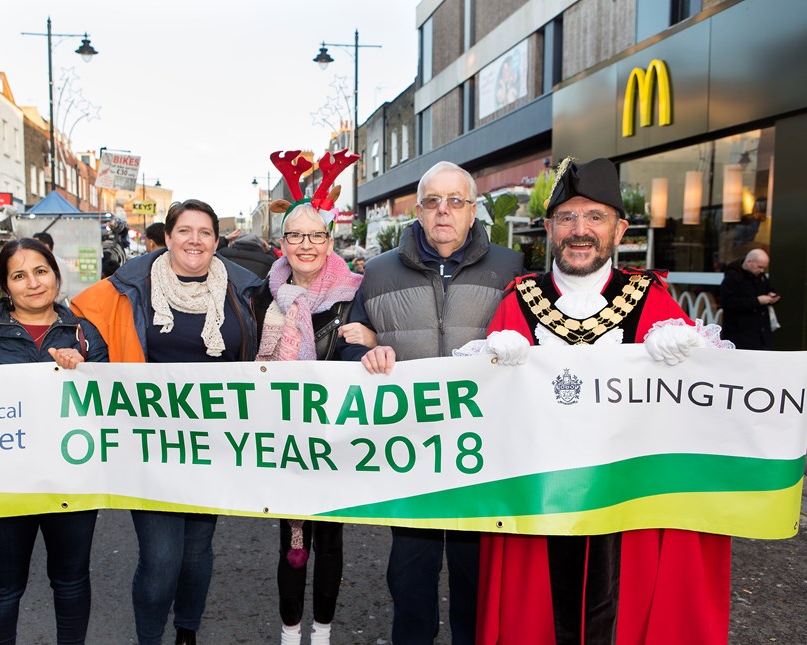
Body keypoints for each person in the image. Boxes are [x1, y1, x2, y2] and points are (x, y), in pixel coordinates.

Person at [470, 157, 733, 644]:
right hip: (542, 497)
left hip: (625, 501)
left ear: (620, 229)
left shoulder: (652, 300)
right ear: (549, 228)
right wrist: (489, 363)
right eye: (567, 218)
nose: (580, 230)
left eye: (595, 217)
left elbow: (704, 402)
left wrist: (688, 352)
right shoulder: (517, 301)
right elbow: (484, 411)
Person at [338, 160, 523, 645]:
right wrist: (365, 349)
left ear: (472, 210)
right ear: (418, 210)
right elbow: (350, 344)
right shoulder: (377, 273)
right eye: (433, 201)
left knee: (477, 579)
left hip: (480, 453)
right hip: (411, 452)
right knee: (409, 578)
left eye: (456, 201)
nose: (445, 211)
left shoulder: (511, 269)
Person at [70, 198, 263, 645]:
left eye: (205, 232)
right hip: (148, 446)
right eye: (184, 231)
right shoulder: (130, 285)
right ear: (169, 236)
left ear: (217, 241)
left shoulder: (244, 289)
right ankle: (149, 638)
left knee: (197, 552)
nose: (194, 240)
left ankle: (187, 632)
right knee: (161, 559)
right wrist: (74, 353)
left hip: (214, 443)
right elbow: (79, 324)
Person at [0, 237, 108, 645]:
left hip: (71, 482)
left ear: (56, 275)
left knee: (70, 582)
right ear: (5, 286)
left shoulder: (83, 334)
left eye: (40, 271)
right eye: (19, 275)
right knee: (2, 588)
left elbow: (110, 403)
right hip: (2, 485)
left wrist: (85, 371)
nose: (33, 283)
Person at [256, 149, 375, 645]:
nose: (305, 245)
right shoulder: (262, 295)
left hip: (335, 437)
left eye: (316, 235)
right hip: (284, 439)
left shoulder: (356, 294)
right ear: (281, 242)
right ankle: (289, 634)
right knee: (289, 539)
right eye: (295, 235)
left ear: (330, 239)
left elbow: (374, 356)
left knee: (330, 538)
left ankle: (322, 633)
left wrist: (368, 342)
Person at [720, 248, 779, 350]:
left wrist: (771, 296)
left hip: (761, 333)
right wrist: (757, 301)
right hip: (740, 334)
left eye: (764, 268)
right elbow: (728, 302)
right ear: (749, 262)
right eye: (759, 267)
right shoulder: (732, 278)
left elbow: (768, 289)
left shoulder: (761, 276)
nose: (762, 270)